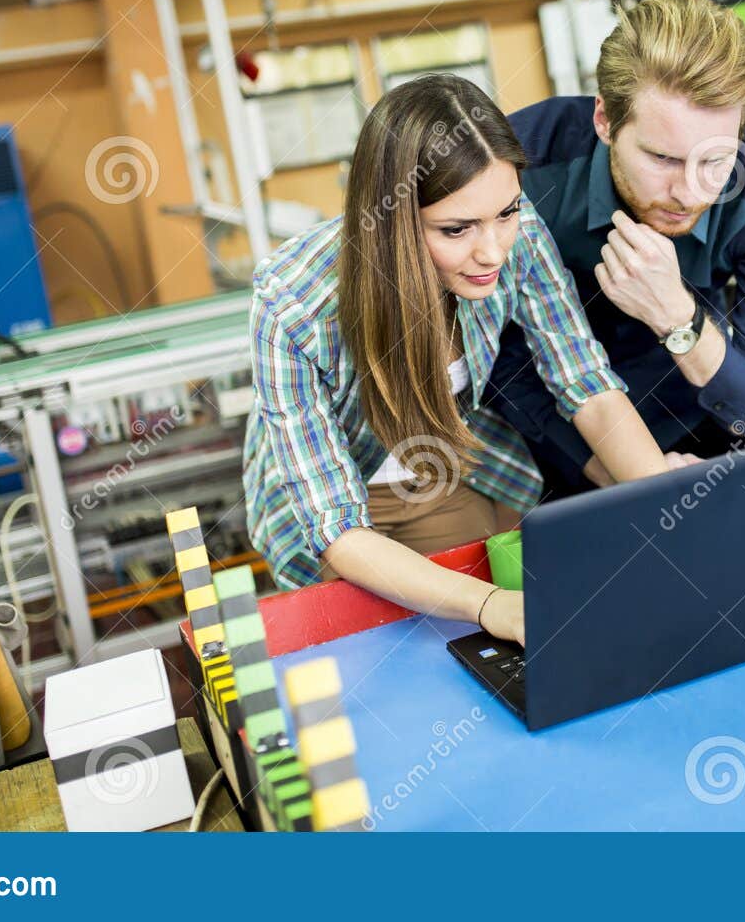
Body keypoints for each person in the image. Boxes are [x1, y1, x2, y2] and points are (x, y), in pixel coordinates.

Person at [243, 74, 673, 646]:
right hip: (325, 500)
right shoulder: (291, 303)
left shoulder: (516, 237)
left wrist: (669, 507)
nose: (492, 249)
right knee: (373, 651)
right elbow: (337, 530)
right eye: (456, 229)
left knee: (458, 643)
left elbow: (585, 382)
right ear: (393, 220)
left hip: (436, 471)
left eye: (506, 212)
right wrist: (493, 605)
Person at [484, 0, 745, 497]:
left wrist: (677, 319)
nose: (688, 192)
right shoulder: (518, 168)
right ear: (605, 121)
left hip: (701, 441)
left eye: (714, 161)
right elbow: (498, 360)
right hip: (555, 449)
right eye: (662, 158)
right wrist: (613, 468)